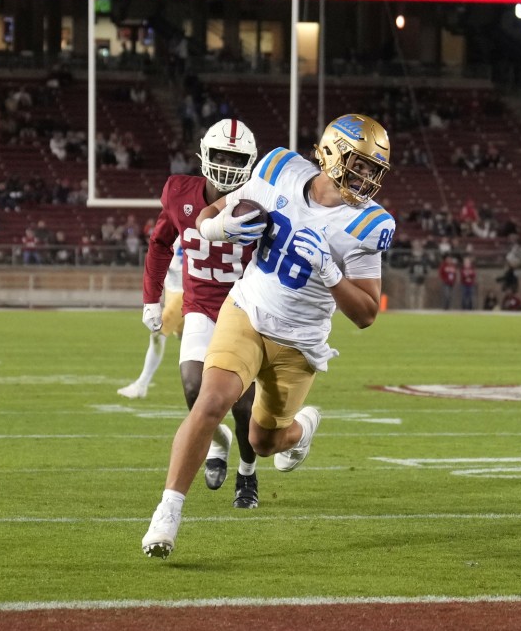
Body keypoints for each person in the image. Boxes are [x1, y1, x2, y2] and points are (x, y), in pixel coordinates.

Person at [141, 114, 395, 558]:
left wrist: (331, 273)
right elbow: (208, 214)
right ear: (331, 152)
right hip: (247, 311)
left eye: (374, 169)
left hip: (300, 341)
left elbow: (368, 314)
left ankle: (301, 429)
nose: (368, 177)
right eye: (360, 164)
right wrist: (218, 228)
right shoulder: (279, 168)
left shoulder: (368, 223)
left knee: (263, 441)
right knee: (210, 400)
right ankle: (168, 512)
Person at [137, 118, 262, 509]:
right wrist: (151, 298)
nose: (226, 163)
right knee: (193, 388)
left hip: (244, 312)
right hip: (201, 307)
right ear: (204, 155)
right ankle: (216, 443)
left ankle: (247, 470)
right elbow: (160, 244)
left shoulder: (260, 202)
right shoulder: (179, 192)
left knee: (243, 405)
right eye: (221, 154)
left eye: (234, 157)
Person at [118, 243, 184, 400]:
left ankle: (142, 384)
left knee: (158, 333)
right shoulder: (172, 228)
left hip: (187, 291)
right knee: (190, 343)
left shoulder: (194, 225)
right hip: (172, 291)